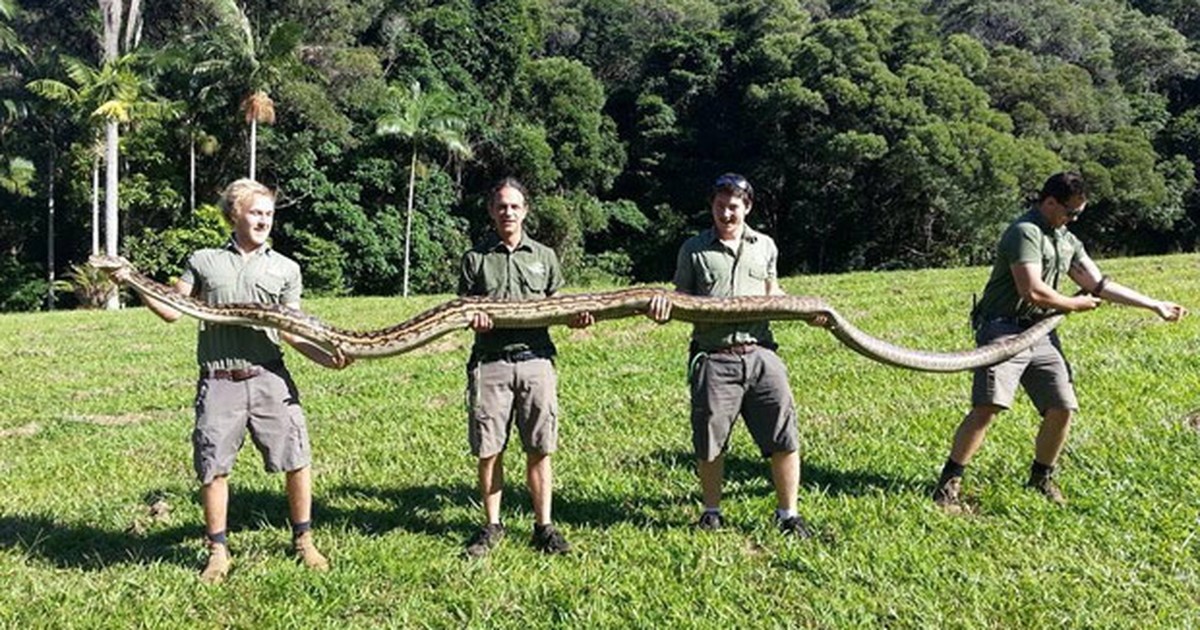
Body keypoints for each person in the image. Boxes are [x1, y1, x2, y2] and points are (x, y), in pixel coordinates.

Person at [127, 179, 351, 583]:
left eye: (268, 213)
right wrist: (132, 280)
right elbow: (174, 310)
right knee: (213, 466)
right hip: (219, 379)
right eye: (256, 212)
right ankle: (217, 551)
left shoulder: (286, 268)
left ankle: (303, 540)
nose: (264, 219)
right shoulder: (204, 260)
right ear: (235, 214)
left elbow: (292, 330)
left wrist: (327, 360)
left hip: (269, 376)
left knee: (296, 458)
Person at [932, 172, 1186, 511]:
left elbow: (1097, 283)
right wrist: (1073, 304)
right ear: (1049, 202)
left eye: (1079, 213)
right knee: (987, 407)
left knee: (1062, 407)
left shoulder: (1065, 239)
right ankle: (948, 485)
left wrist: (1153, 304)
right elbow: (1032, 290)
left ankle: (1041, 477)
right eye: (1070, 212)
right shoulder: (1025, 232)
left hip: (1041, 332)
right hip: (1003, 331)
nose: (1073, 219)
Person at [647, 173, 815, 537]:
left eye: (733, 207)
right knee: (710, 440)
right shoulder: (694, 248)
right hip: (714, 357)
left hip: (761, 353)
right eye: (720, 207)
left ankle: (788, 514)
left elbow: (773, 290)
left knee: (784, 435)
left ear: (747, 207)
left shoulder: (765, 245)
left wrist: (807, 310)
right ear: (712, 207)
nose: (726, 214)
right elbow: (681, 297)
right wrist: (664, 306)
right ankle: (711, 511)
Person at [458, 177, 593, 557]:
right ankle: (491, 526)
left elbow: (559, 305)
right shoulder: (475, 257)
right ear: (491, 211)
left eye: (515, 206)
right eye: (501, 206)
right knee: (490, 449)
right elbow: (464, 309)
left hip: (537, 361)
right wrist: (475, 317)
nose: (508, 212)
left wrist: (575, 318)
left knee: (539, 447)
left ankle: (543, 527)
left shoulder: (545, 256)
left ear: (525, 211)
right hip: (491, 363)